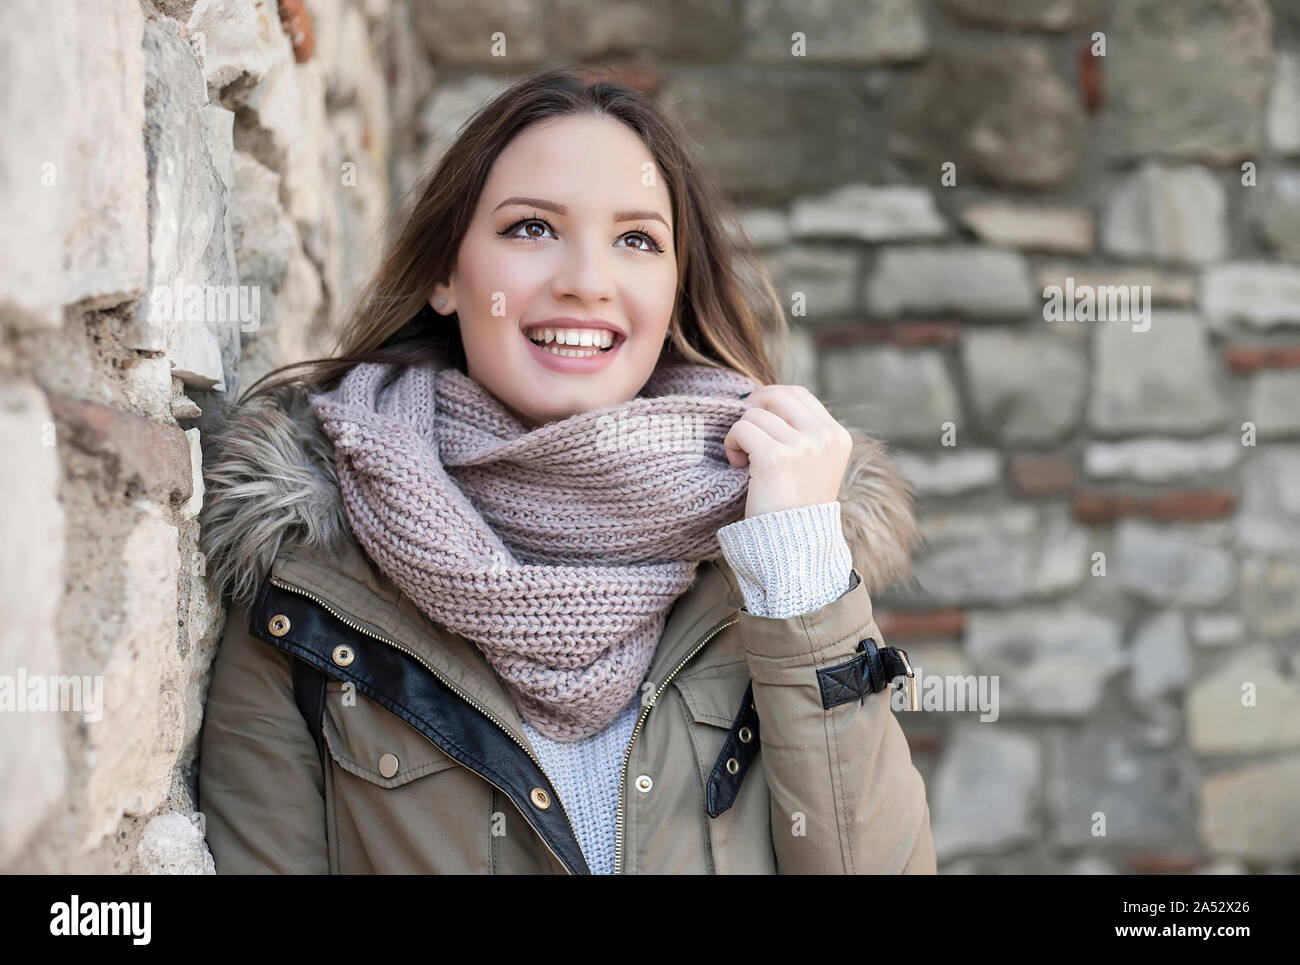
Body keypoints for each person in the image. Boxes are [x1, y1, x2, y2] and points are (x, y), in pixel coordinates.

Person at [195, 65, 936, 874]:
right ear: (446, 274)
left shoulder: (765, 546)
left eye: (636, 240)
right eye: (531, 228)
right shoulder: (305, 576)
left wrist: (800, 570)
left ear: (675, 288)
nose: (586, 281)